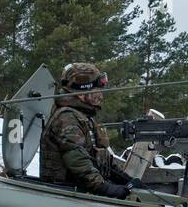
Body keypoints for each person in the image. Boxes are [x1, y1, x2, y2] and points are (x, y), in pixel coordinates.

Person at [39, 63, 133, 198]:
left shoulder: (84, 117)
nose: (100, 95)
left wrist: (124, 178)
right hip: (64, 196)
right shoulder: (67, 118)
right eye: (96, 90)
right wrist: (106, 188)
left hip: (79, 194)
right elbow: (79, 163)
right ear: (83, 92)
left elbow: (100, 157)